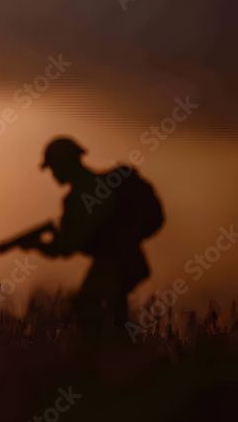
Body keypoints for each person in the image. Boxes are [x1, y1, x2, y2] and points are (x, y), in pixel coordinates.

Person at [14, 136, 163, 335]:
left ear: (65, 163)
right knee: (111, 317)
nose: (52, 173)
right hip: (124, 261)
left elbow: (68, 247)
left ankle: (110, 359)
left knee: (89, 311)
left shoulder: (80, 195)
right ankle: (120, 357)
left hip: (115, 262)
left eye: (53, 166)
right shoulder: (96, 186)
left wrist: (38, 245)